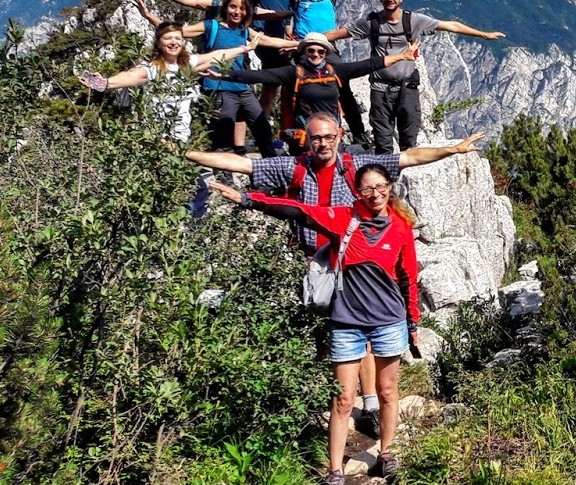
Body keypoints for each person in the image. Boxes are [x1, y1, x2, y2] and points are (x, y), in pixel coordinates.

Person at [185, 112, 485, 436]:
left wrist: (453, 150)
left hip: (351, 261)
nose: (323, 143)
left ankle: (369, 404)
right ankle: (330, 399)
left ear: (339, 136)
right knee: (326, 335)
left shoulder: (355, 167)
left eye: (329, 137)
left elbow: (409, 157)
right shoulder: (295, 166)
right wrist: (185, 154)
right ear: (307, 139)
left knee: (361, 330)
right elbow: (243, 166)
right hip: (312, 261)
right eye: (316, 138)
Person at [209, 163, 420, 485]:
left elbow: (409, 277)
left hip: (388, 320)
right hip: (347, 321)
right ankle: (335, 472)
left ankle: (387, 452)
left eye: (381, 187)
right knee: (343, 400)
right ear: (358, 192)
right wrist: (248, 199)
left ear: (390, 187)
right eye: (368, 189)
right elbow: (298, 210)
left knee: (387, 390)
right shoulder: (343, 219)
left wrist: (412, 321)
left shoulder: (400, 229)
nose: (376, 194)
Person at [217, 0, 406, 147]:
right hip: (303, 49)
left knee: (343, 88)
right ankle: (292, 135)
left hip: (327, 47)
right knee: (294, 93)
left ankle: (358, 132)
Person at [328, 0, 507, 152]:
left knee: (409, 140)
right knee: (383, 141)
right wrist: (308, 42)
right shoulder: (371, 22)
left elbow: (450, 25)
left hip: (408, 88)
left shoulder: (413, 20)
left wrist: (483, 35)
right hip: (380, 89)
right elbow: (339, 34)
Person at [205, 31, 417, 152]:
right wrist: (224, 76)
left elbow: (369, 64)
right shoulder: (294, 73)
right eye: (311, 50)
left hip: (333, 139)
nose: (316, 54)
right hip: (304, 140)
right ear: (304, 52)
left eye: (320, 51)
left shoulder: (336, 71)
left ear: (326, 53)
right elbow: (261, 76)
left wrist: (402, 56)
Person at [77, 20, 261, 145]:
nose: (173, 42)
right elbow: (131, 76)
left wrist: (245, 48)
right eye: (167, 38)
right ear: (158, 43)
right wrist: (105, 82)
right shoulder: (152, 68)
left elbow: (216, 56)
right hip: (157, 138)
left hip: (181, 138)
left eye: (178, 38)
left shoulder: (187, 65)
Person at [177, 0, 298, 158]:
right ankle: (224, 177)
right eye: (233, 7)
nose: (237, 12)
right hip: (218, 86)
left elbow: (269, 41)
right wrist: (150, 18)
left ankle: (271, 166)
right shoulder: (212, 26)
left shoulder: (244, 31)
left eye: (242, 8)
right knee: (223, 134)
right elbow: (179, 33)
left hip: (241, 87)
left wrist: (300, 44)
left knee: (261, 126)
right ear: (225, 7)